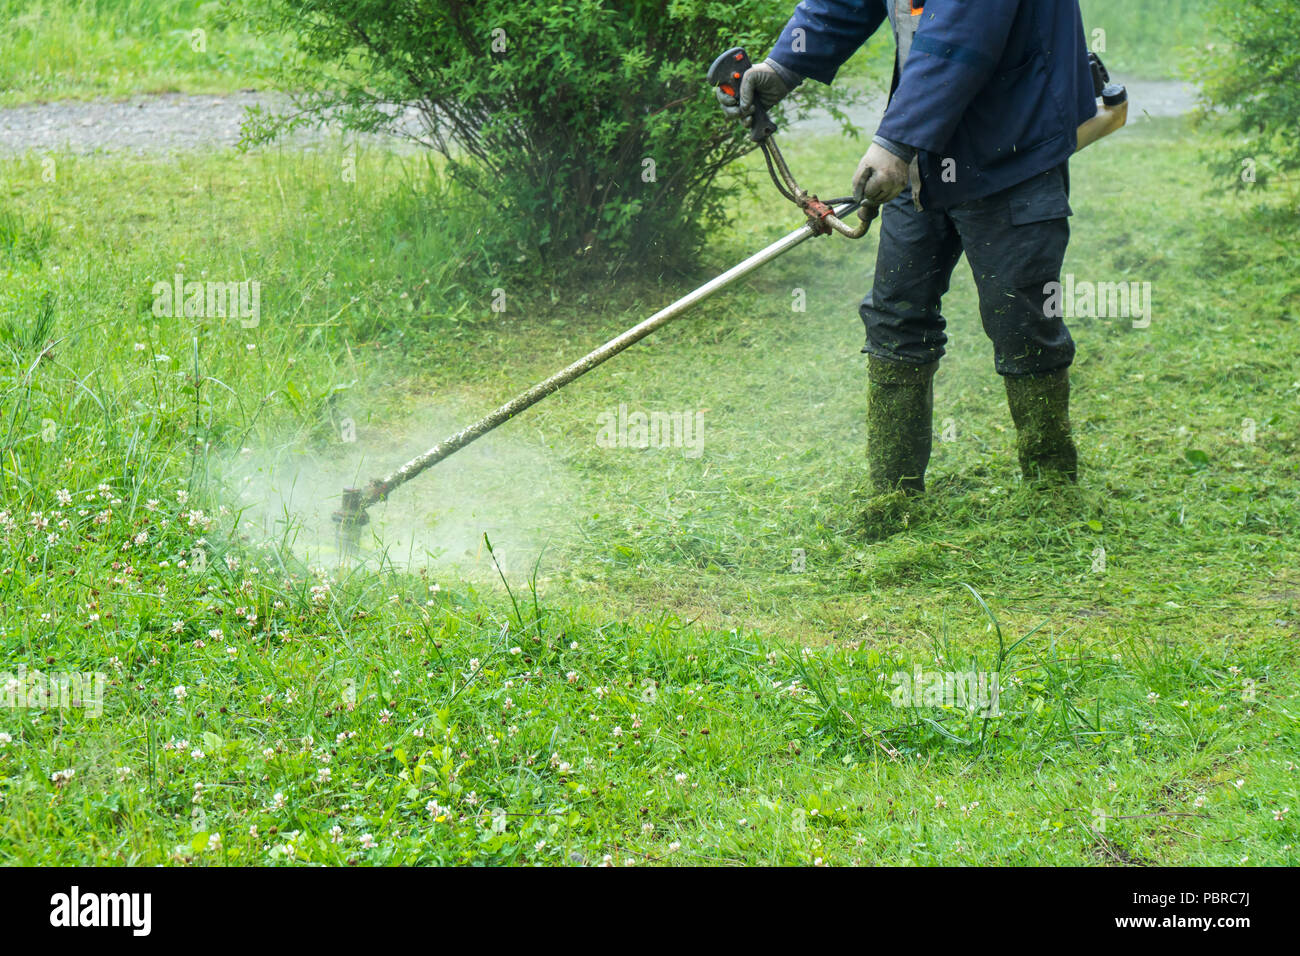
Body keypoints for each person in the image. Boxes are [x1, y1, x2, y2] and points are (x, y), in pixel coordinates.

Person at [718, 0, 1104, 513]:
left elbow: (962, 31)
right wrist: (787, 63)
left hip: (1014, 142)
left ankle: (1052, 490)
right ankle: (893, 496)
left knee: (1021, 320)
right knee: (897, 314)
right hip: (926, 149)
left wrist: (897, 139)